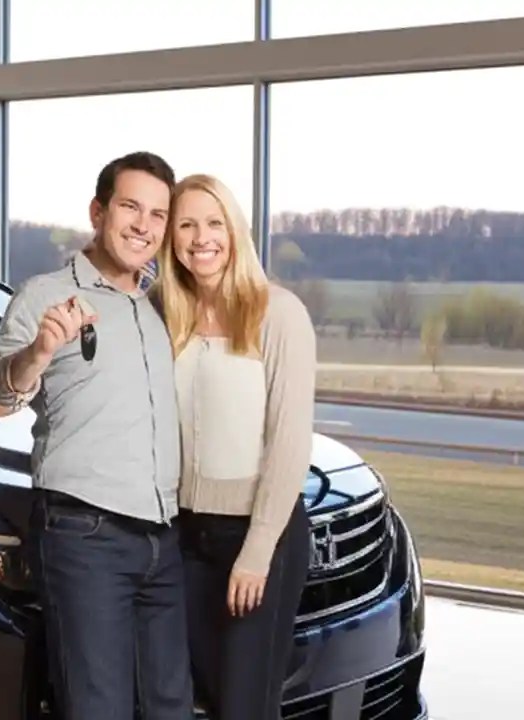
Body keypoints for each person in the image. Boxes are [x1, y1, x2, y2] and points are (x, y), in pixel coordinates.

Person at [0, 151, 193, 720]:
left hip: (162, 541)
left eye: (158, 214)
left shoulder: (155, 309)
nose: (144, 225)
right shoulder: (45, 295)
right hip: (85, 536)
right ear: (98, 211)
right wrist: (39, 352)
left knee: (170, 709)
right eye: (129, 207)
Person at [154, 173, 317, 720]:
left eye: (214, 223)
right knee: (201, 698)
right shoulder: (163, 311)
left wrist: (258, 549)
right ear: (171, 237)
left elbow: (290, 439)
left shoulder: (278, 313)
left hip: (257, 537)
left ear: (235, 229)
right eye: (187, 224)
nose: (202, 238)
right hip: (182, 535)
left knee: (245, 706)